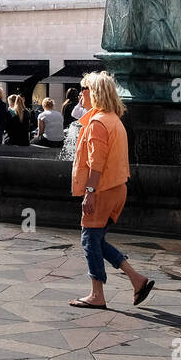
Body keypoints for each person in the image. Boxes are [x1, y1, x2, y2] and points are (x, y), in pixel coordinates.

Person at [69, 71, 154, 311]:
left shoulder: (97, 122)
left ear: (94, 92)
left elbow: (97, 163)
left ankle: (97, 294)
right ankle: (137, 279)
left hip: (102, 189)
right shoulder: (113, 119)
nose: (80, 94)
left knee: (88, 239)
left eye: (83, 89)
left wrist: (90, 192)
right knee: (96, 239)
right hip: (116, 188)